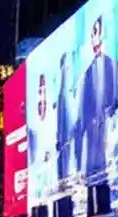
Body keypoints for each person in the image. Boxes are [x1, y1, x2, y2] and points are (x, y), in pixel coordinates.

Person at [79, 14, 118, 183]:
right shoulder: (87, 73)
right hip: (92, 143)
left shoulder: (112, 64)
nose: (95, 38)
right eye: (93, 33)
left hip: (107, 136)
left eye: (97, 32)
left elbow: (116, 99)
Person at [54, 53, 75, 181]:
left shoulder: (73, 92)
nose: (66, 70)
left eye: (68, 67)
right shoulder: (61, 97)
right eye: (65, 67)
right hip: (63, 149)